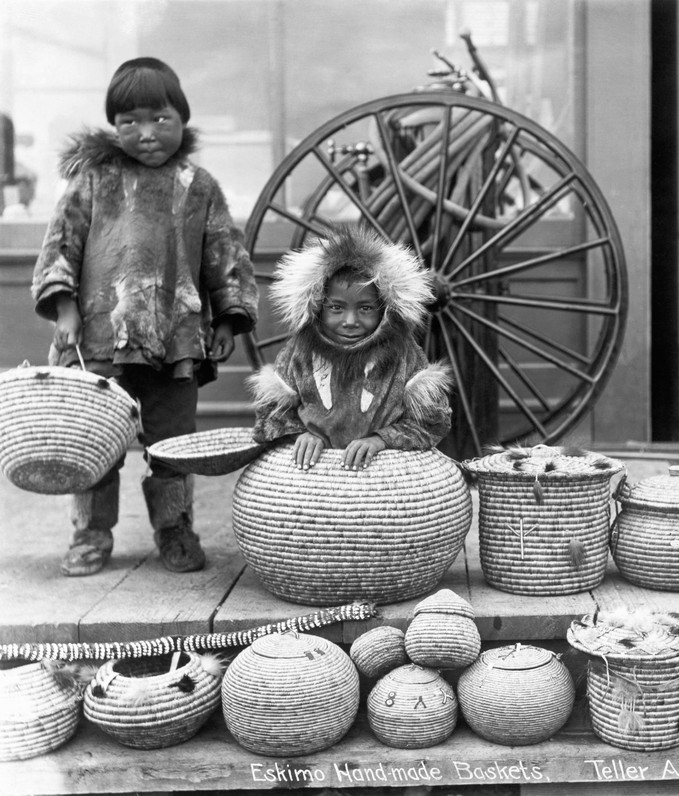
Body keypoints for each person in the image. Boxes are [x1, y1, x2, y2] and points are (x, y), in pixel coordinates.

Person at [31, 57, 259, 576]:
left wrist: (227, 319)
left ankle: (175, 529)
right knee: (98, 439)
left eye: (160, 118)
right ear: (114, 126)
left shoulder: (198, 185)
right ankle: (90, 533)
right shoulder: (94, 181)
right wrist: (64, 306)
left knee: (173, 443)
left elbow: (225, 254)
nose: (146, 133)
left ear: (182, 118)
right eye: (128, 121)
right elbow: (60, 244)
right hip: (98, 338)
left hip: (174, 341)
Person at [248, 225, 452, 471]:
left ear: (385, 309)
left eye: (365, 308)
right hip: (315, 477)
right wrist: (300, 434)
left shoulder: (404, 355)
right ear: (317, 307)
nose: (350, 321)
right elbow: (270, 414)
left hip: (384, 480)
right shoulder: (299, 354)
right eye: (336, 308)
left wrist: (382, 439)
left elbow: (433, 421)